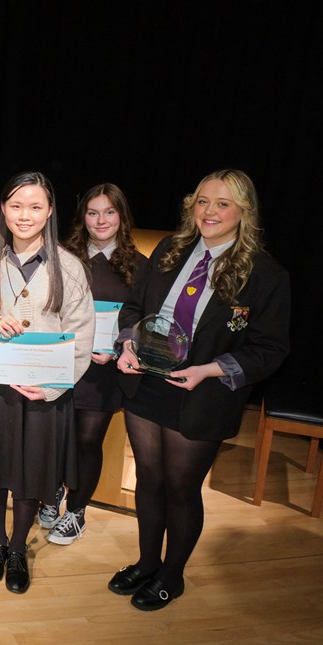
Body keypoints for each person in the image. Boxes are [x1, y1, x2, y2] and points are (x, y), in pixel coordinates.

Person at [111, 169, 290, 611]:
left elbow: (270, 349)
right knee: (149, 481)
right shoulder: (171, 250)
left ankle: (173, 575)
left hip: (202, 391)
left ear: (243, 212)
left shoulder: (266, 275)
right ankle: (147, 563)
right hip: (147, 382)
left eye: (223, 204)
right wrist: (128, 343)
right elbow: (134, 306)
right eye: (203, 201)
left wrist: (209, 370)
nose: (210, 211)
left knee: (180, 488)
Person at [0, 171, 94, 594]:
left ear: (50, 211)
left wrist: (53, 387)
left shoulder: (68, 266)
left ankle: (17, 548)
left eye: (35, 206)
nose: (25, 215)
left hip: (43, 386)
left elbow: (82, 335)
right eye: (16, 205)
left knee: (32, 469)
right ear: (3, 210)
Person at [41, 183, 149, 544]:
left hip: (103, 369)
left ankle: (77, 511)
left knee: (87, 440)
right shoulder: (62, 255)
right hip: (62, 360)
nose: (100, 220)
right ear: (82, 217)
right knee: (57, 436)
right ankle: (53, 491)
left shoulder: (140, 266)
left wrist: (120, 351)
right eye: (92, 212)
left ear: (122, 216)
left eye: (109, 212)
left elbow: (143, 320)